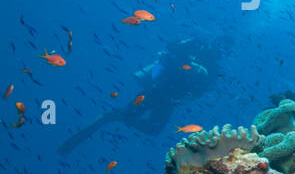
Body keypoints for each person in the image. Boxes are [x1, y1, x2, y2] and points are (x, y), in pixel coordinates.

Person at [57, 38, 217, 154]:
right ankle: (115, 116)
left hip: (150, 94)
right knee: (153, 129)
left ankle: (114, 116)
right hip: (162, 99)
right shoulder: (196, 69)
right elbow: (195, 91)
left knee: (147, 126)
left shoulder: (176, 60)